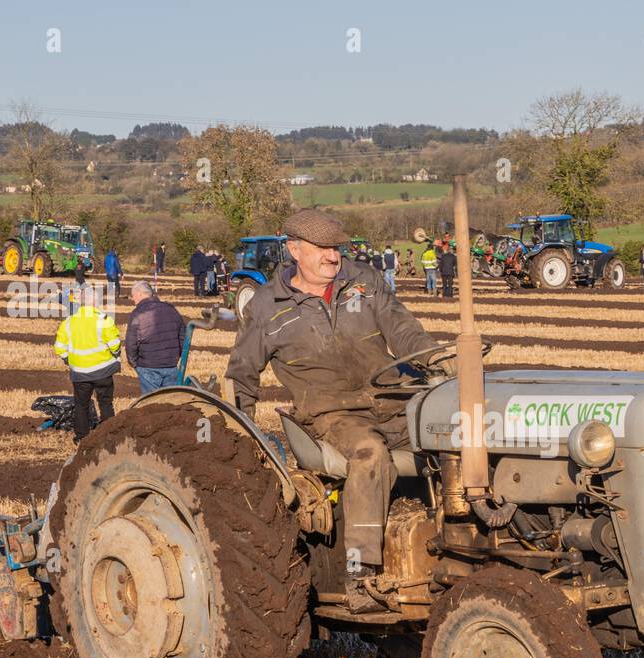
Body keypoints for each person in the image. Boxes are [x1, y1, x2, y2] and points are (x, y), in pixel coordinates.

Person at [226, 209, 446, 611]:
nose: (333, 257)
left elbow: (402, 328)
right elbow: (243, 371)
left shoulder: (364, 281)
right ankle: (361, 574)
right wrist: (241, 430)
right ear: (294, 250)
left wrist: (434, 359)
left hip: (392, 398)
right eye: (323, 249)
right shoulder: (266, 306)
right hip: (331, 412)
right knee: (369, 455)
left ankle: (454, 549)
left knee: (454, 438)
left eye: (337, 248)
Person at [54, 279, 122, 442]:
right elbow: (115, 345)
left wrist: (68, 360)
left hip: (80, 373)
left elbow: (59, 347)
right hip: (103, 372)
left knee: (81, 405)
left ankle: (81, 437)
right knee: (106, 404)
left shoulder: (68, 322)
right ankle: (109, 436)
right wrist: (114, 355)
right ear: (96, 302)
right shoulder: (104, 320)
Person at [124, 280, 187, 394]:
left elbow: (131, 343)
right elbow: (183, 336)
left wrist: (134, 364)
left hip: (148, 367)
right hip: (171, 365)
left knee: (152, 405)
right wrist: (178, 355)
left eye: (133, 296)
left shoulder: (137, 314)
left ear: (140, 294)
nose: (133, 300)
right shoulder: (171, 310)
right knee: (170, 402)